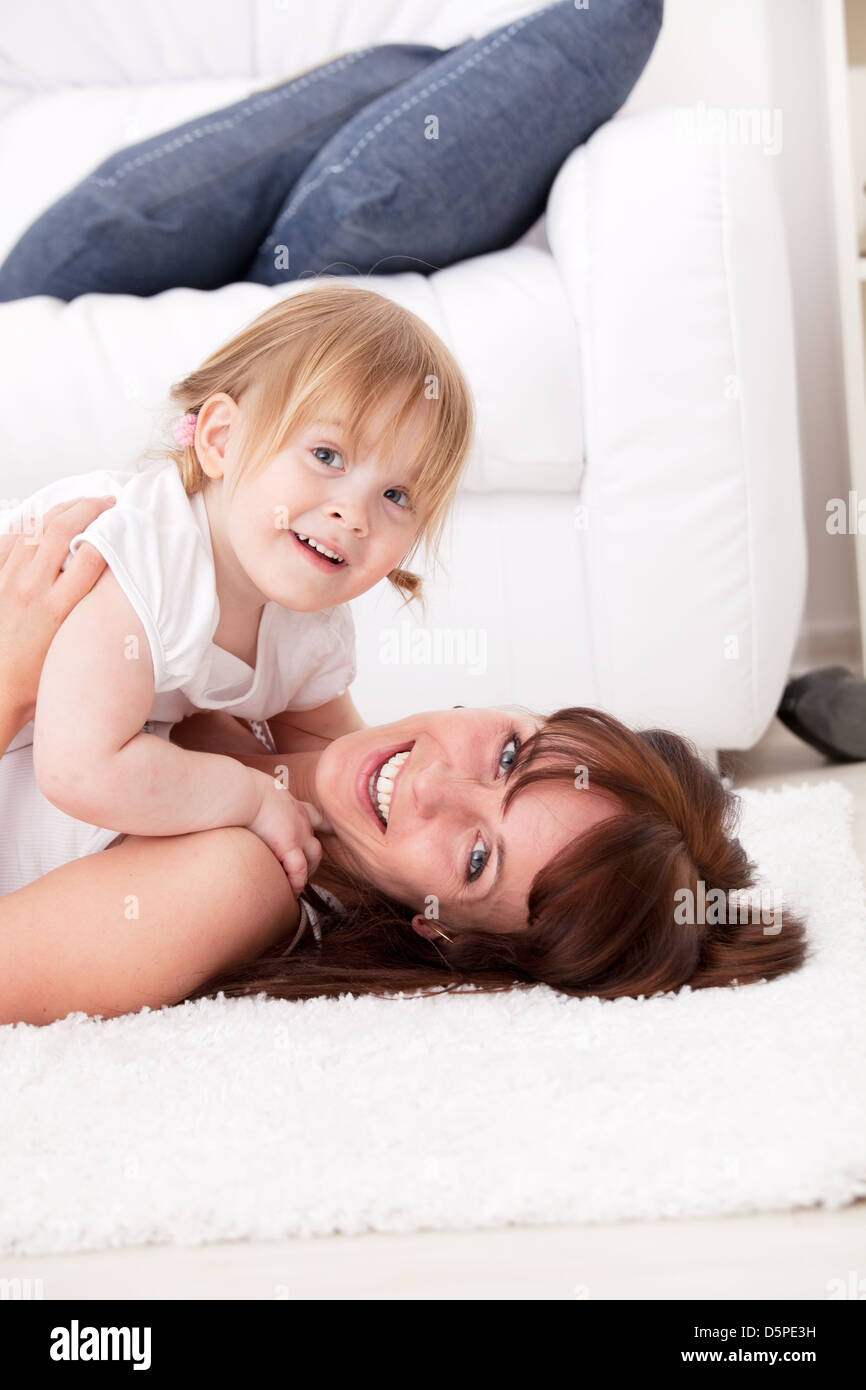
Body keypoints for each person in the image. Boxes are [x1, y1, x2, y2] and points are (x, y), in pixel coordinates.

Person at [0, 514, 808, 1027]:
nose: (432, 786)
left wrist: (10, 673)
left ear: (442, 927)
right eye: (508, 755)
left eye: (478, 856)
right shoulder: (292, 676)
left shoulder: (234, 878)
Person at [0, 283, 474, 895]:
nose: (356, 516)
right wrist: (247, 793)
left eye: (396, 496)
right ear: (220, 439)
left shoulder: (312, 621)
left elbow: (329, 763)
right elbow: (79, 770)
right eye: (327, 455)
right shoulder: (146, 554)